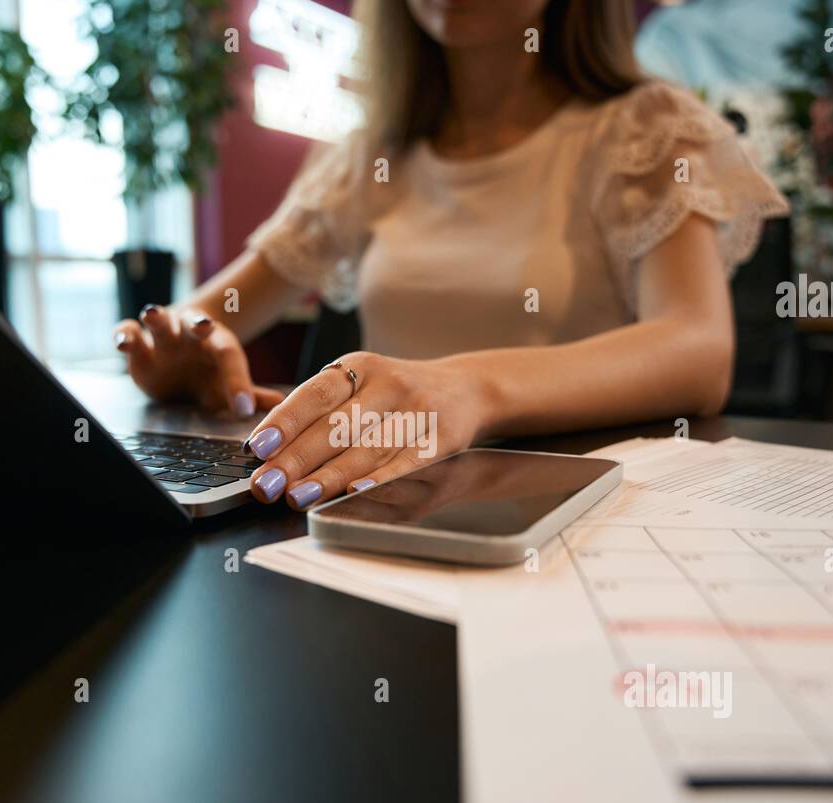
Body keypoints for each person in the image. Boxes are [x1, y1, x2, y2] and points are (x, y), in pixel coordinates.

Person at [113, 0, 788, 510]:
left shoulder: (644, 127)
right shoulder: (369, 157)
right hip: (381, 505)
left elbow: (697, 349)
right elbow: (207, 313)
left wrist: (469, 388)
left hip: (582, 511)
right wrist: (183, 348)